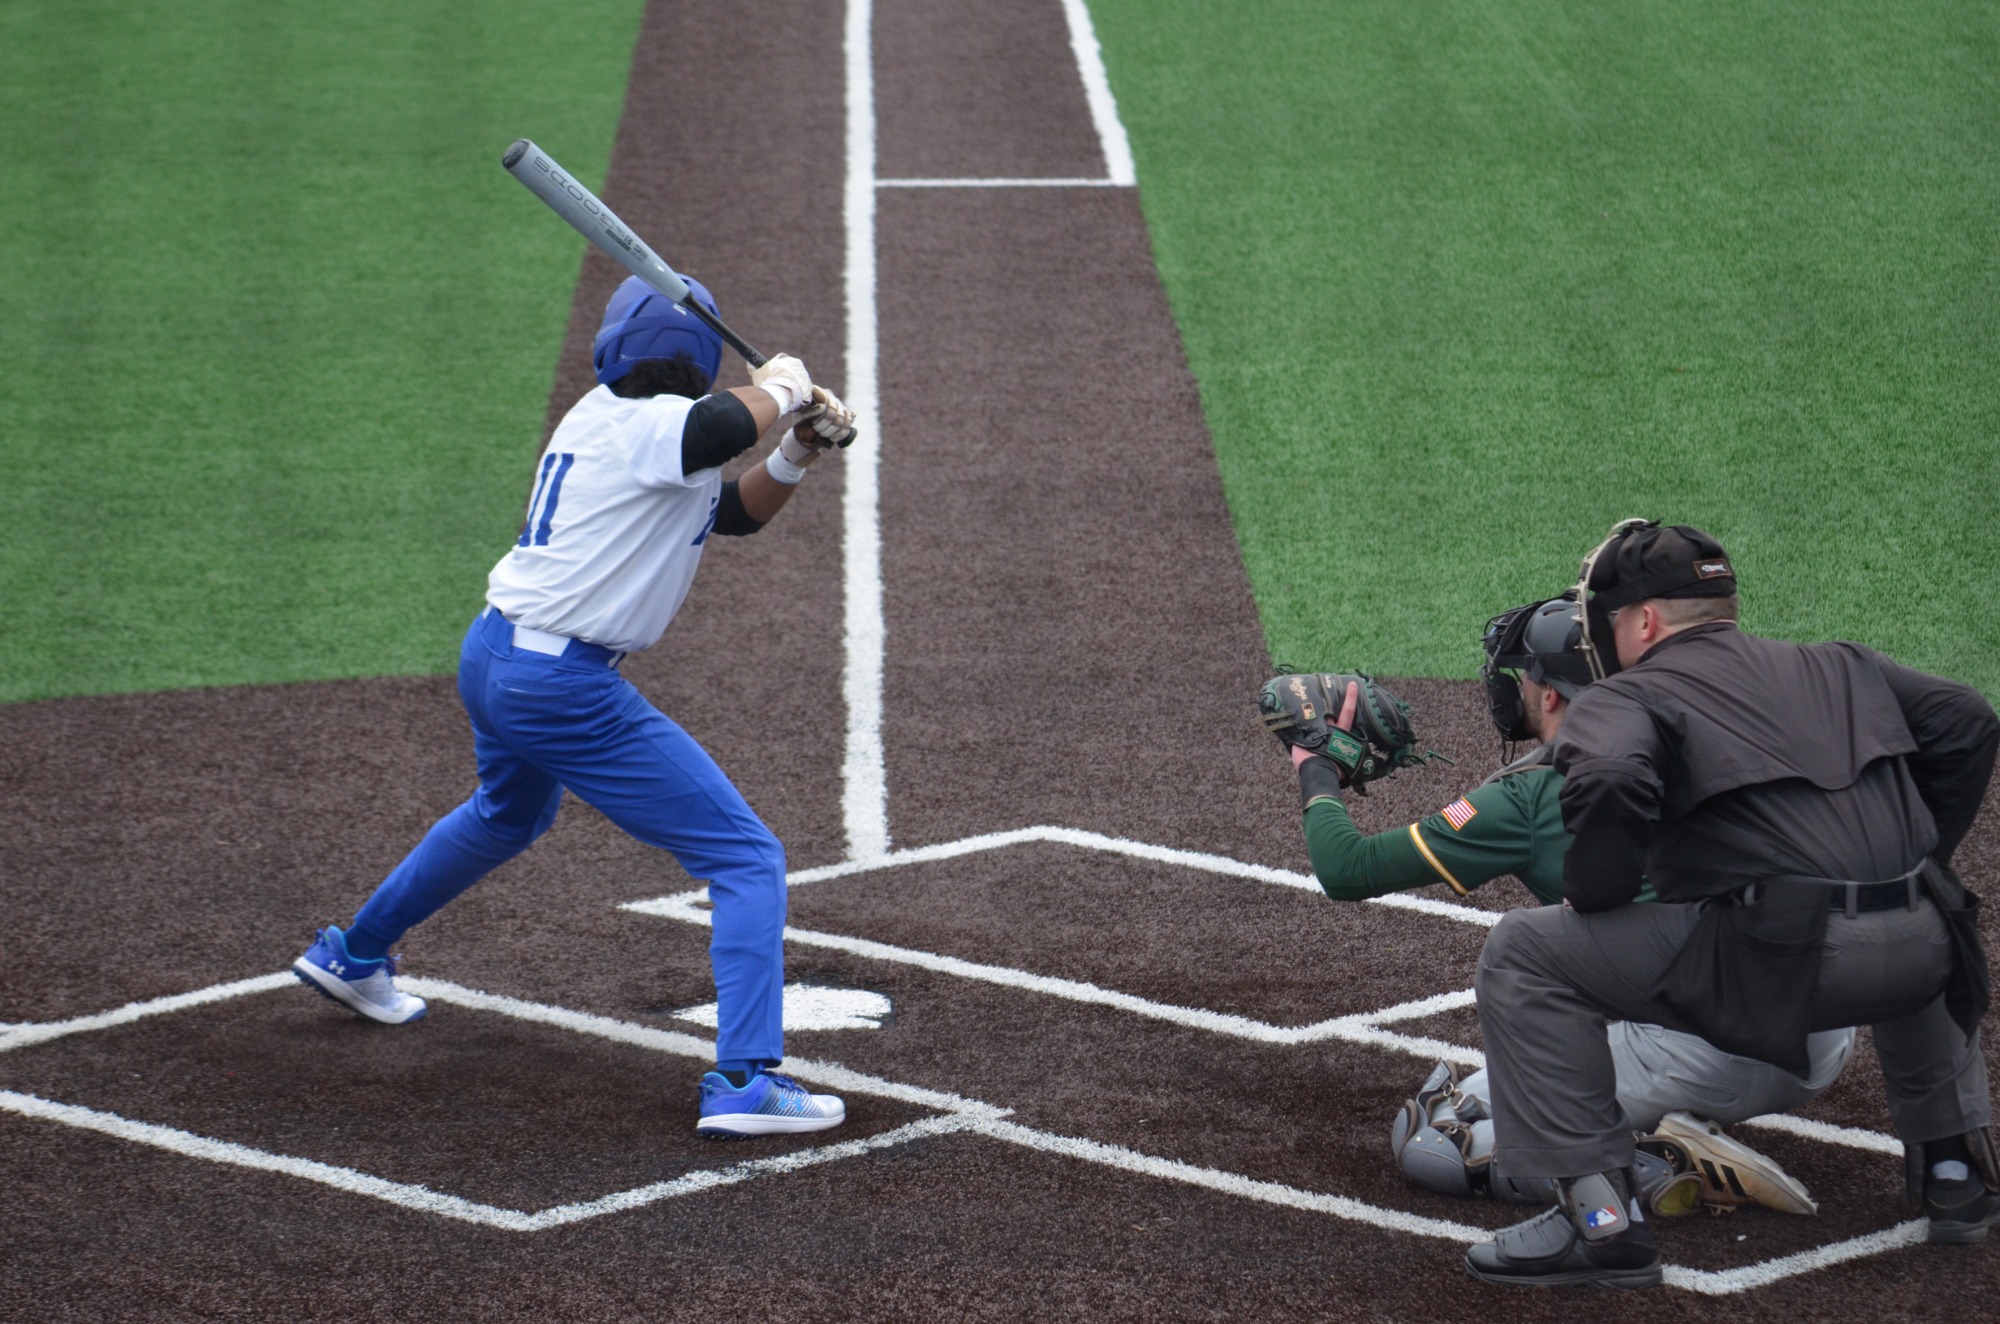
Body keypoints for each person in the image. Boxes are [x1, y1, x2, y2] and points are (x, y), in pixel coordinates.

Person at [293, 275, 857, 1139]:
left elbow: (730, 516)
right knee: (747, 858)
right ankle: (746, 1081)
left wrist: (797, 453)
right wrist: (784, 385)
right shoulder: (650, 427)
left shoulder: (622, 422)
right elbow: (715, 427)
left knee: (505, 816)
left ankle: (353, 953)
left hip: (497, 655)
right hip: (560, 687)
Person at [1461, 521, 1999, 1289]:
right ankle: (1956, 1175)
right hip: (1929, 952)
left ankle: (1599, 1221)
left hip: (1787, 965)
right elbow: (1968, 720)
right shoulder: (1840, 664)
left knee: (1524, 951)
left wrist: (1600, 891)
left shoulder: (1632, 693)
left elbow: (1609, 779)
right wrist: (1920, 857)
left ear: (1643, 621)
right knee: (1912, 900)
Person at [1290, 598, 1850, 1214]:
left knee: (1438, 1136)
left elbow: (1346, 869)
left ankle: (1661, 1161)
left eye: (1525, 675)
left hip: (1706, 1051)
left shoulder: (1528, 799)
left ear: (1550, 694)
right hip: (1822, 1025)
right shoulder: (1711, 733)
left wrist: (1315, 765)